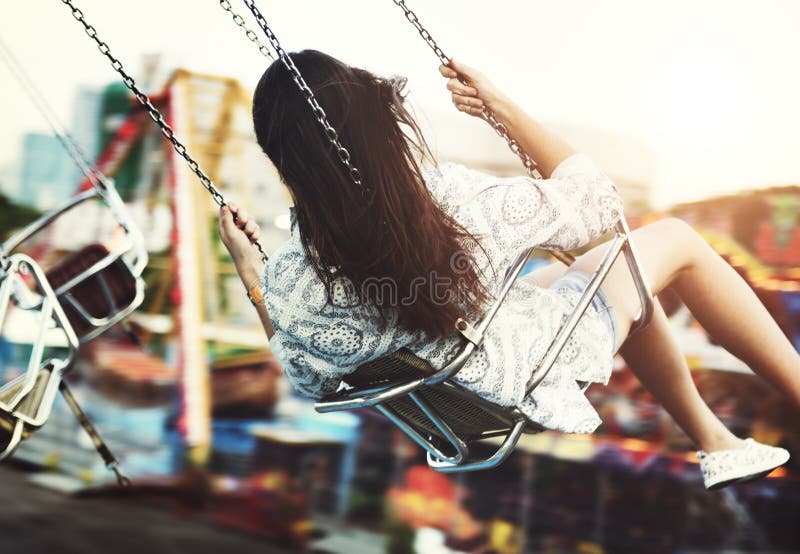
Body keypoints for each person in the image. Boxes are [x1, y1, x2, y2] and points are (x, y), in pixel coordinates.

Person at [219, 50, 796, 489]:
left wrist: (252, 275)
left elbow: (309, 377)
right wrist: (502, 108)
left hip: (456, 400)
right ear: (374, 126)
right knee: (675, 241)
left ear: (280, 157)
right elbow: (599, 204)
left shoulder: (290, 279)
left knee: (601, 273)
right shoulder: (446, 206)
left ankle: (717, 440)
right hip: (524, 371)